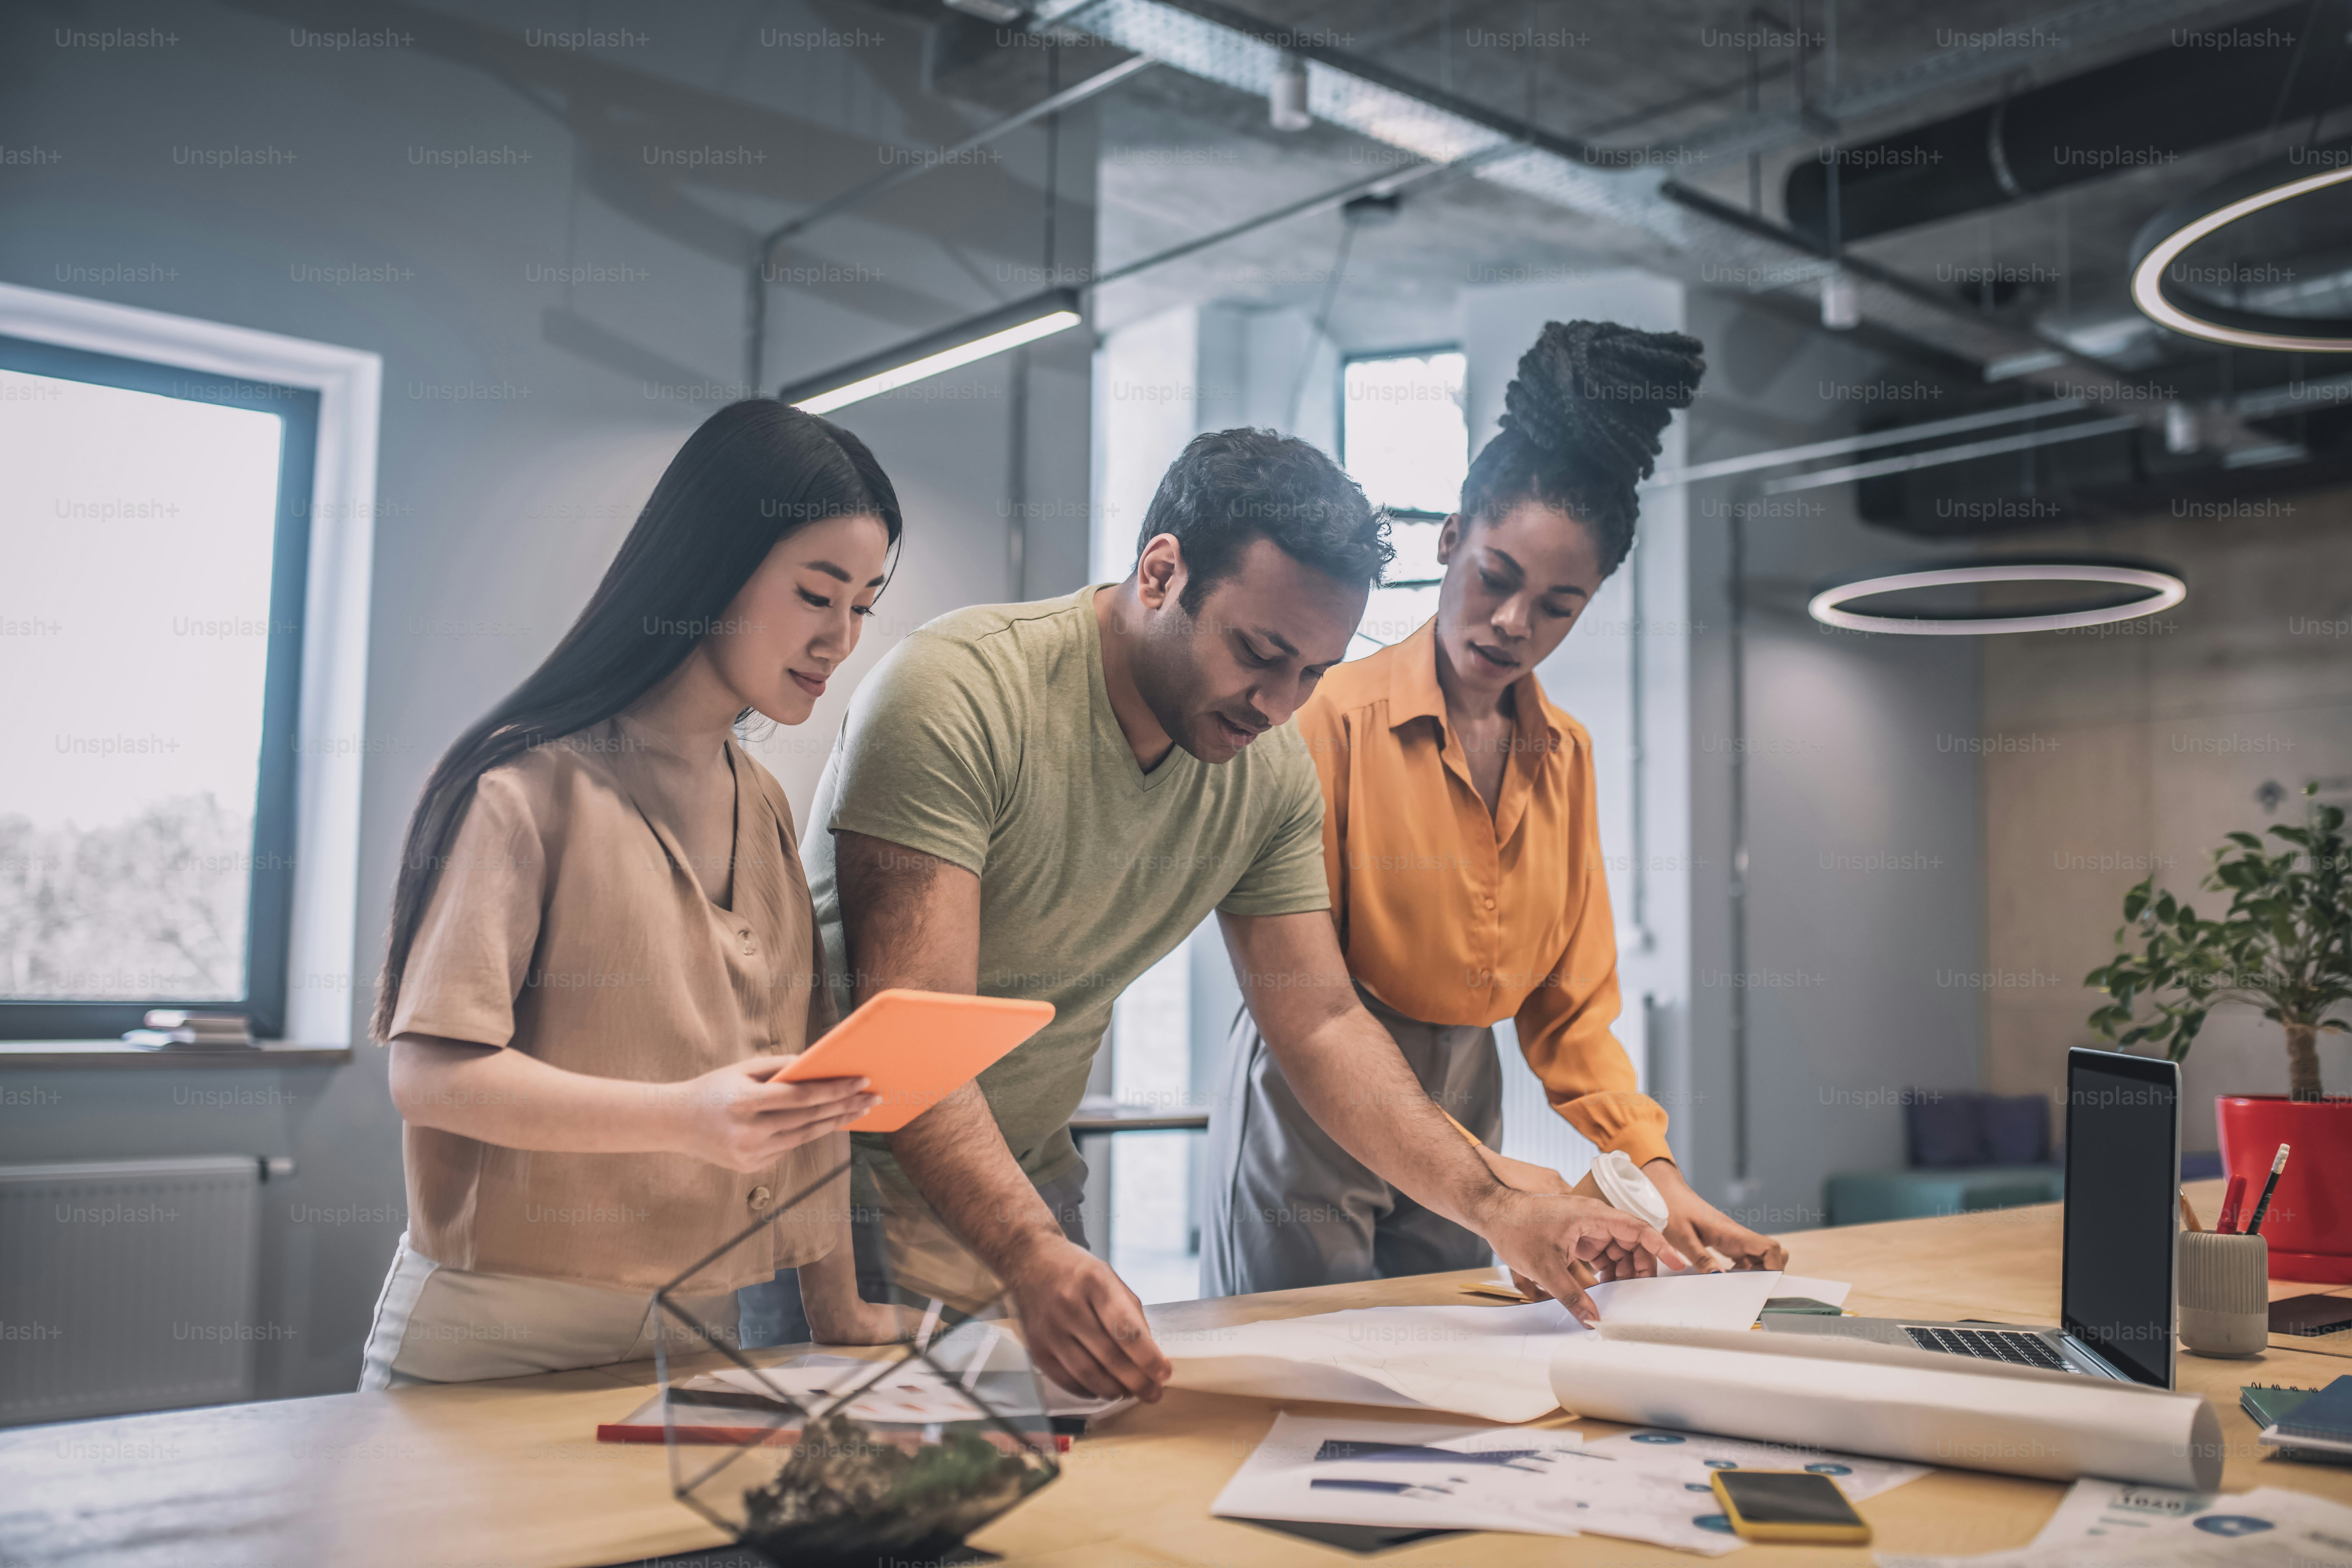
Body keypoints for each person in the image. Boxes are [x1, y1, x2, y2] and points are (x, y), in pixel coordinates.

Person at [805, 427, 1686, 1407]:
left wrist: (1500, 1209)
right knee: (832, 1507)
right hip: (831, 1194)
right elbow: (912, 1042)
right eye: (1260, 653)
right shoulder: (959, 694)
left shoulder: (1267, 770)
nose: (1278, 703)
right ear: (1160, 572)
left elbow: (1320, 1022)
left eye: (1313, 672)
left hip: (1029, 1179)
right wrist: (1029, 1250)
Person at [1203, 321, 1788, 1295]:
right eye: (1497, 579)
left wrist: (1655, 1176)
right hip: (1315, 1089)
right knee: (1305, 1375)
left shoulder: (1568, 757)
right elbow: (1311, 1003)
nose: (1516, 623)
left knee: (1447, 1368)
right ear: (1449, 541)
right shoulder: (1329, 718)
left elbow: (1572, 1011)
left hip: (1466, 1097)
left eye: (1559, 605)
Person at [360, 400, 910, 1388]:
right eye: (815, 594)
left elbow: (810, 1093)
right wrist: (682, 1116)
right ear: (712, 566)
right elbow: (430, 1079)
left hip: (701, 1335)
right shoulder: (524, 787)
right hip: (494, 1340)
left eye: (862, 606)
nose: (840, 638)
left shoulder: (765, 803)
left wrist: (841, 1312)